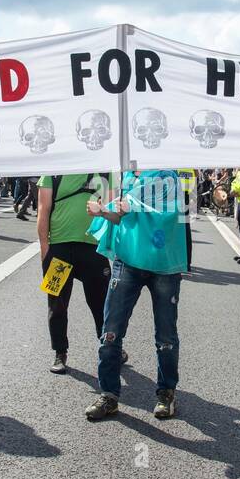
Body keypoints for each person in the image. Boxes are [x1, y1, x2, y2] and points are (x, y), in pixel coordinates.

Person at [86, 169, 187, 421]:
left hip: (163, 264)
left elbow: (174, 212)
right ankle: (109, 394)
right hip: (127, 260)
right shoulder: (128, 173)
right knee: (111, 331)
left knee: (165, 335)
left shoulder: (169, 173)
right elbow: (122, 217)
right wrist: (103, 213)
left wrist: (132, 204)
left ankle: (166, 393)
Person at [38, 172, 115, 373]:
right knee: (57, 304)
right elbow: (43, 210)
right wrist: (45, 249)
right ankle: (59, 352)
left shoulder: (105, 172)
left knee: (102, 304)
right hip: (59, 247)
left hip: (93, 248)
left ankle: (109, 347)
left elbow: (115, 208)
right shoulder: (52, 173)